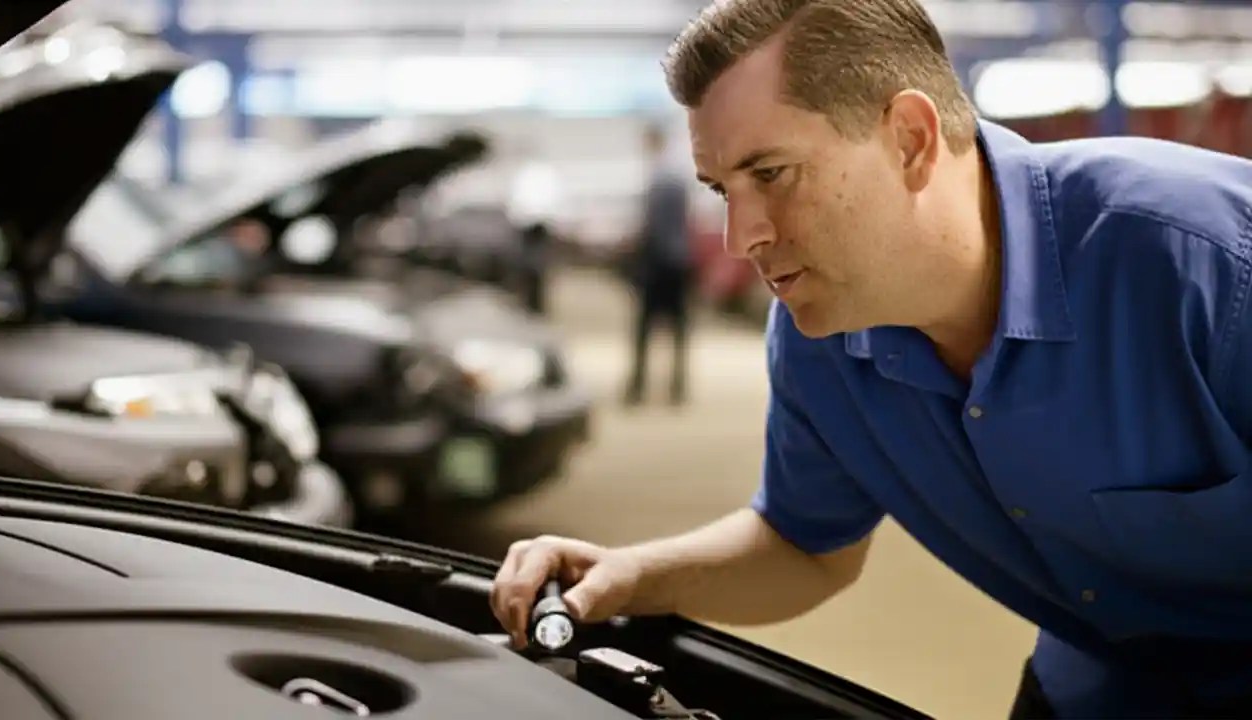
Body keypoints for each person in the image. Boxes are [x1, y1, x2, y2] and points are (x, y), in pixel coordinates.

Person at [489, 1, 1252, 718]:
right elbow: (801, 547)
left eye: (770, 174)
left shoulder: (1206, 262)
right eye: (721, 189)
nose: (740, 236)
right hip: (1095, 687)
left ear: (910, 139)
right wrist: (632, 575)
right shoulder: (821, 342)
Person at [623, 124, 694, 406]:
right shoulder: (678, 178)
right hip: (679, 260)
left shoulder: (657, 180)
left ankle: (637, 387)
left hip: (657, 264)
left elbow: (650, 227)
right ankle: (677, 387)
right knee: (678, 329)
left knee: (644, 329)